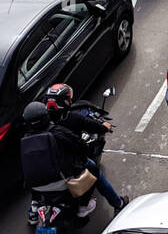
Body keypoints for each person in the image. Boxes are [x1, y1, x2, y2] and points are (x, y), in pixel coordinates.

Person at [43, 83, 128, 212]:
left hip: (48, 160)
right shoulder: (72, 117)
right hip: (71, 161)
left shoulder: (44, 120)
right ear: (64, 102)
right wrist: (105, 126)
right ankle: (118, 203)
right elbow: (94, 126)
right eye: (67, 98)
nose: (69, 100)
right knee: (96, 174)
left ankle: (32, 212)